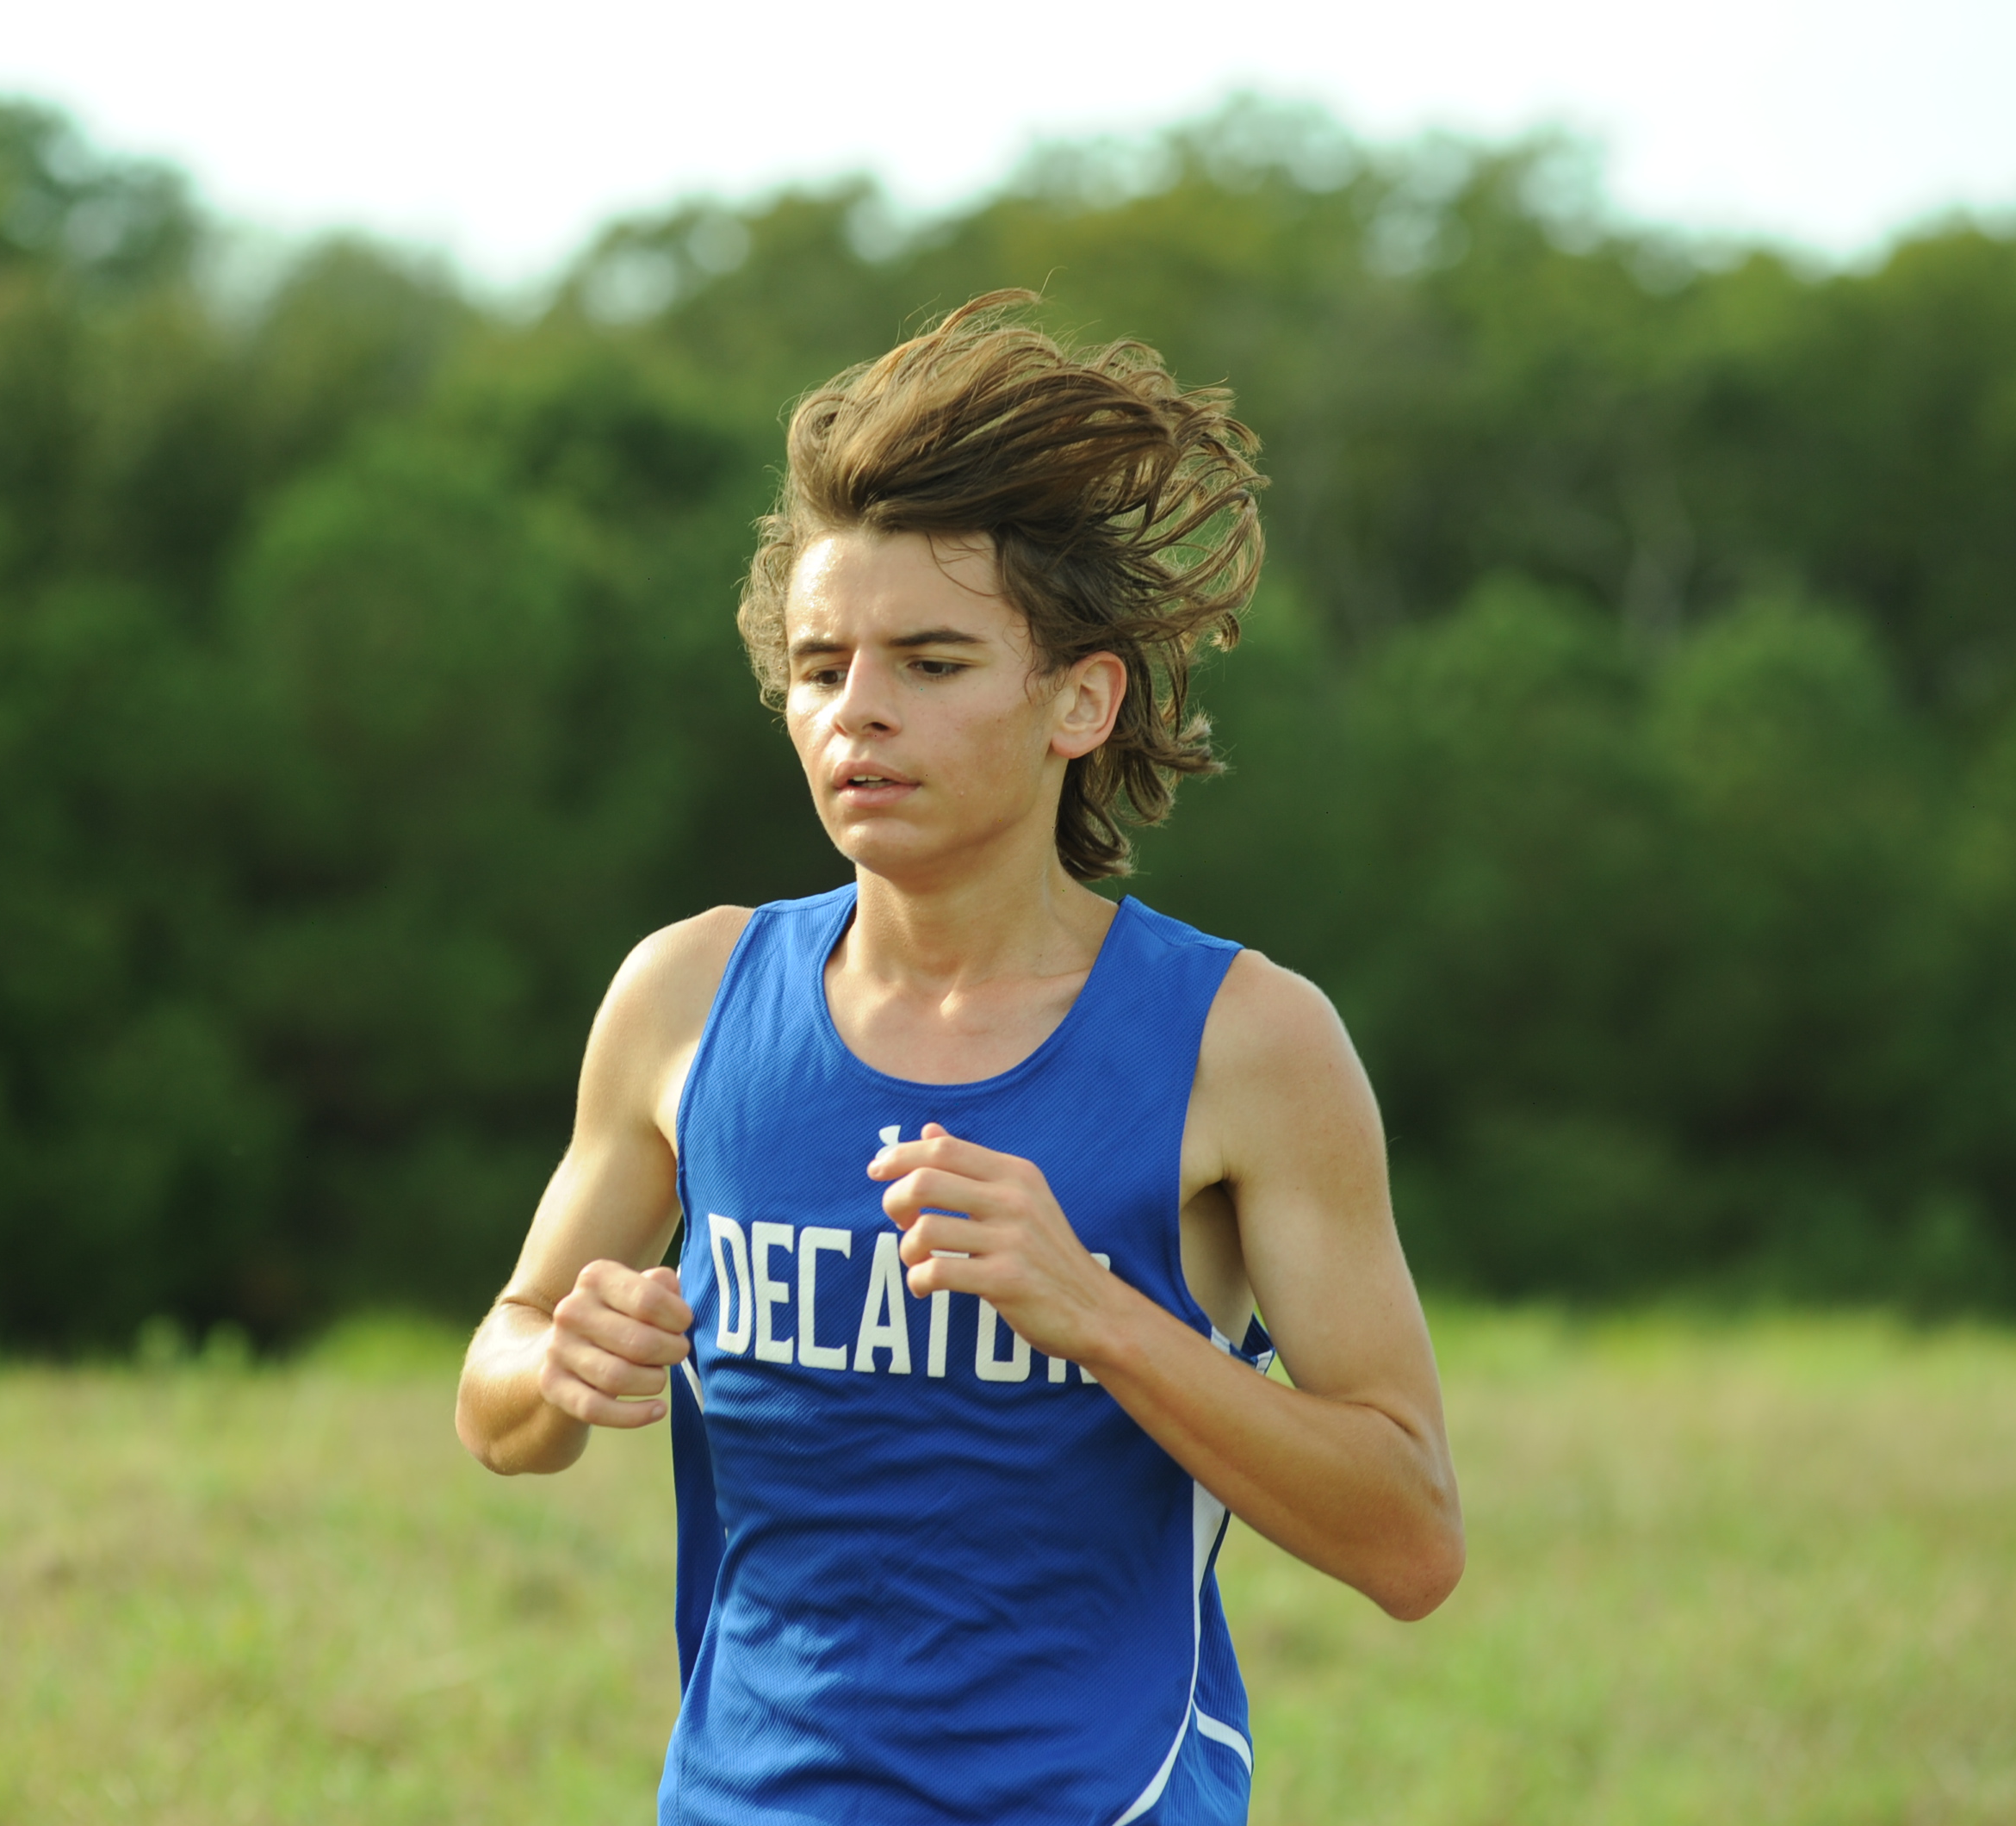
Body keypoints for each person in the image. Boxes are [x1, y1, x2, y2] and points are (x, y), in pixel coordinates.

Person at [455, 292, 1463, 1824]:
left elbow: (1410, 1540)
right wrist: (555, 1363)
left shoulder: (1248, 1043)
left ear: (1082, 698)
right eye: (820, 668)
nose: (859, 714)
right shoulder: (685, 996)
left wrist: (1103, 1316)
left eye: (931, 664)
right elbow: (498, 1389)